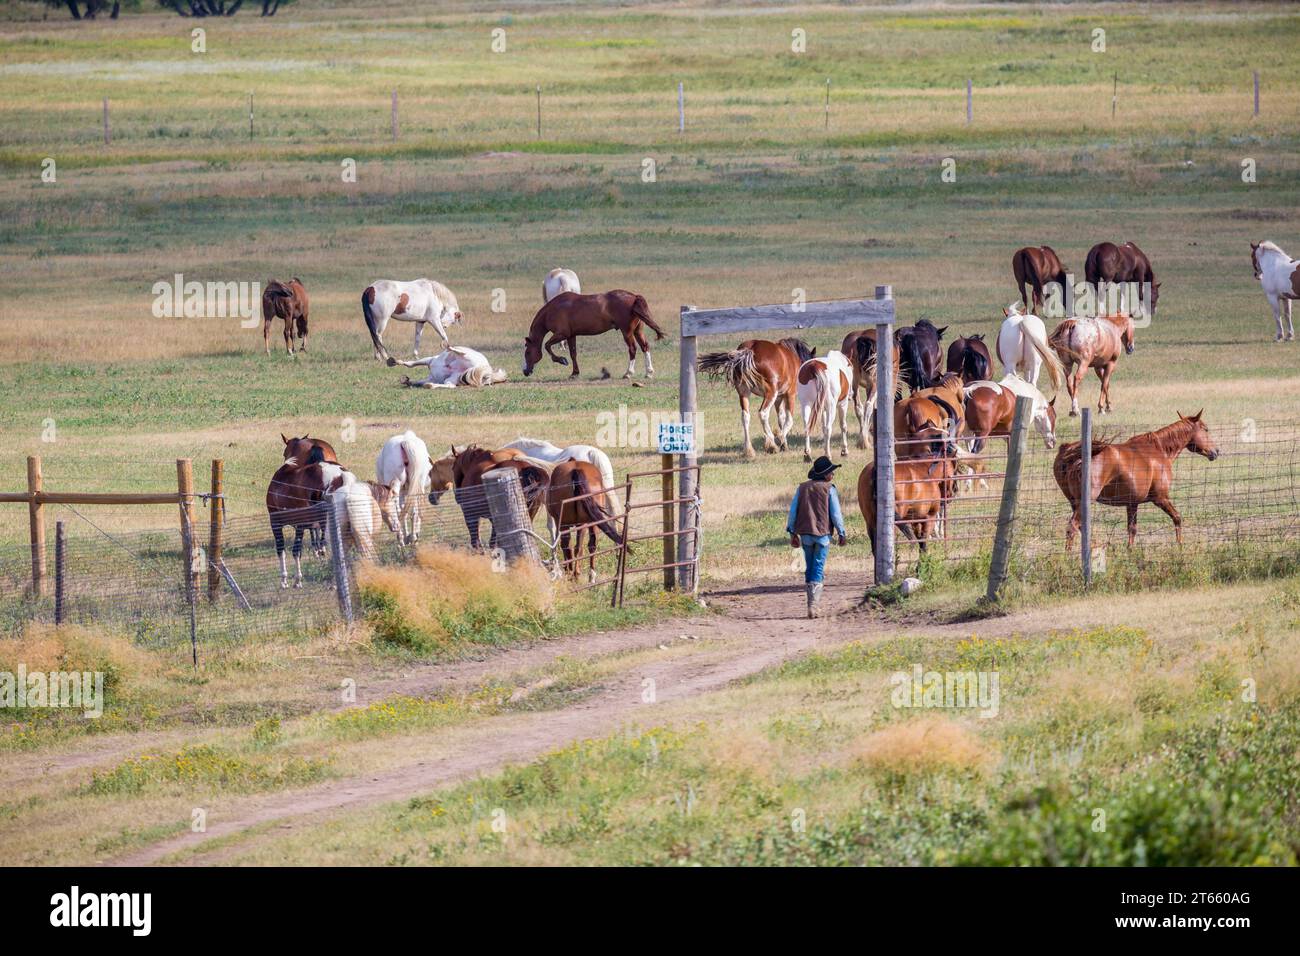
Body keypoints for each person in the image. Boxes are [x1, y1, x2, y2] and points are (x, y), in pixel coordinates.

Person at [786, 455, 848, 618]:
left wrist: (792, 531)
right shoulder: (829, 489)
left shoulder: (802, 488)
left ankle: (810, 603)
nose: (833, 475)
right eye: (831, 472)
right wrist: (842, 532)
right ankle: (814, 605)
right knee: (818, 567)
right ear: (825, 474)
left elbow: (793, 512)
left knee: (809, 566)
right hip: (822, 535)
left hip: (805, 534)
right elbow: (835, 514)